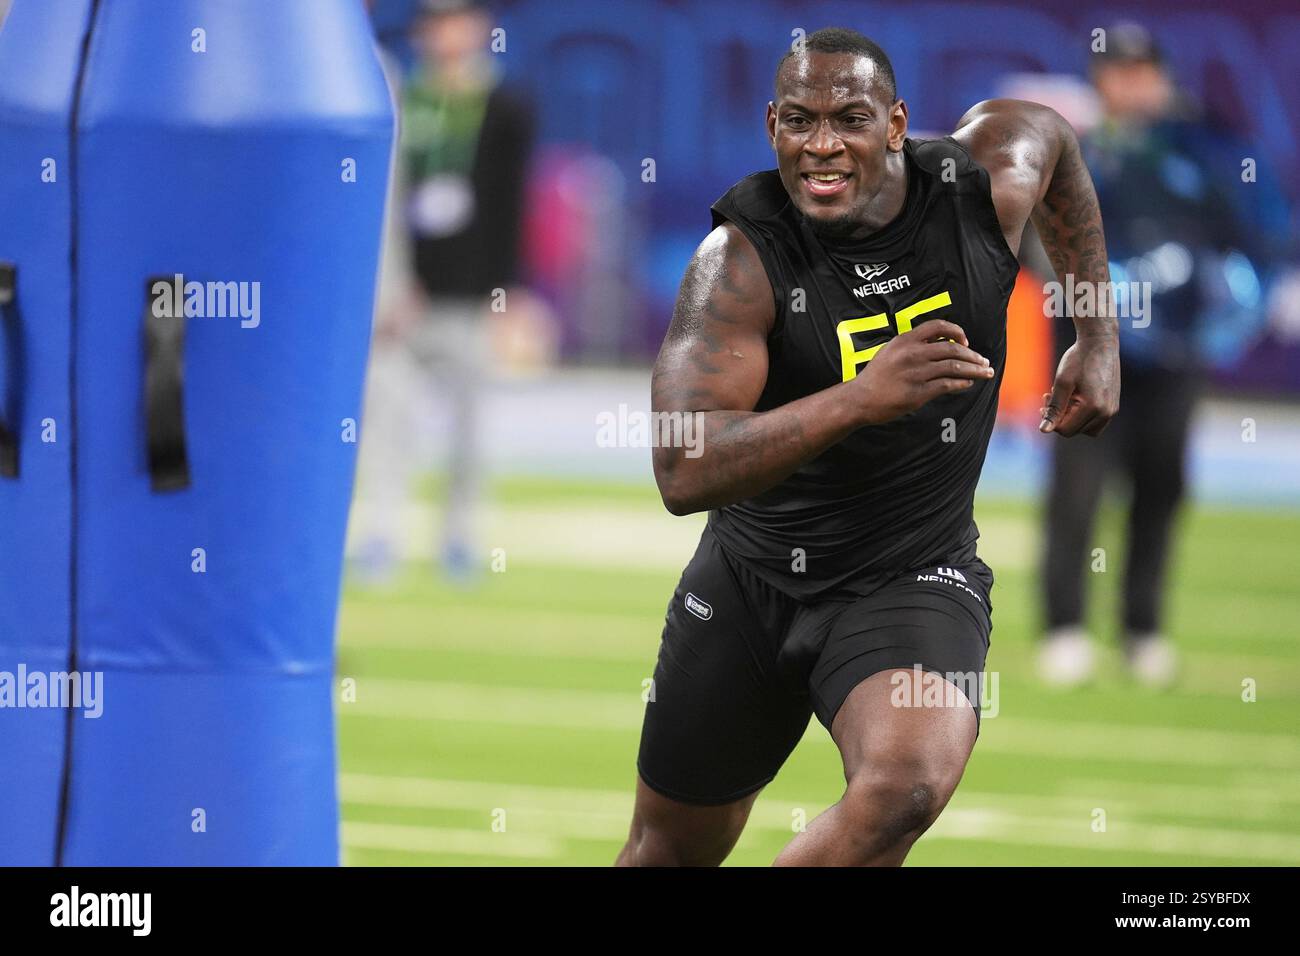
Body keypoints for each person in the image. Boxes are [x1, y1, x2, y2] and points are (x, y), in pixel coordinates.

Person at [618, 28, 1118, 867]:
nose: (822, 146)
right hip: (753, 576)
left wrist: (1095, 334)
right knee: (665, 851)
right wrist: (858, 399)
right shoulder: (738, 260)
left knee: (904, 787)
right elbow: (683, 466)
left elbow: (1057, 142)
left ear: (896, 124)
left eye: (849, 119)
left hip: (910, 569)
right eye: (799, 123)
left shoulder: (978, 182)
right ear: (771, 124)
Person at [1038, 23, 1284, 688]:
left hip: (1173, 351)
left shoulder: (1204, 149)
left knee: (1161, 487)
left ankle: (1141, 630)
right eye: (1114, 72)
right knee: (1076, 489)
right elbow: (1036, 236)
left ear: (1161, 75)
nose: (1128, 84)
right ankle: (1064, 628)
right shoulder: (1074, 151)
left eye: (1139, 70)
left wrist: (1226, 306)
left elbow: (1252, 235)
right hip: (1089, 349)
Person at [355, 0, 533, 583]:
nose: (444, 35)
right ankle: (382, 534)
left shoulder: (505, 106)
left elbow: (512, 208)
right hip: (405, 298)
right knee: (387, 422)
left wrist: (506, 296)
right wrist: (390, 285)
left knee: (467, 429)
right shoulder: (403, 96)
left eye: (455, 20)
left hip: (472, 297)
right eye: (434, 23)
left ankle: (458, 538)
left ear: (480, 28)